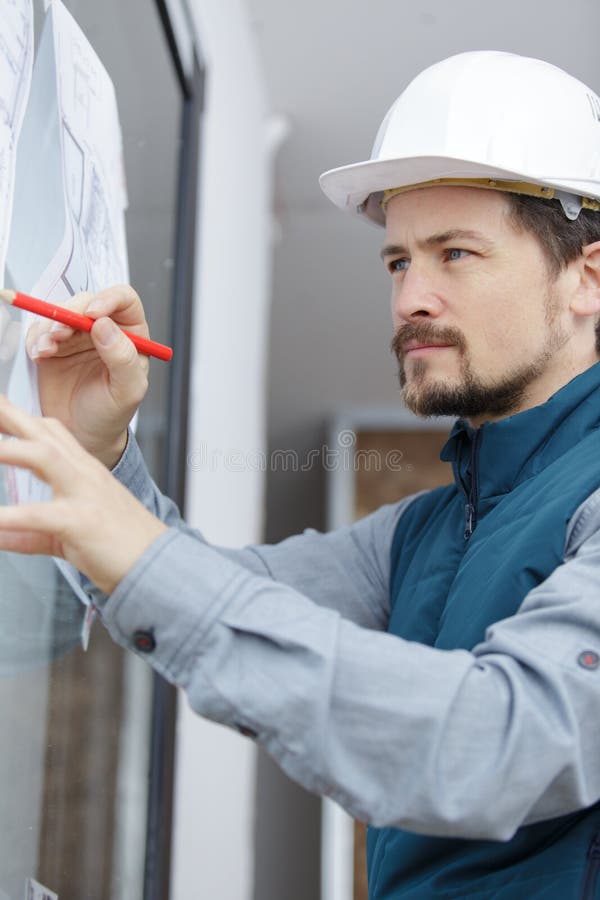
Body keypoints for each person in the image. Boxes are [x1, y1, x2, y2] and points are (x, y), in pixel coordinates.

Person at [1, 49, 600, 898]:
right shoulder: (422, 532)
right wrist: (104, 456)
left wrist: (135, 549)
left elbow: (499, 743)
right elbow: (204, 591)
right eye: (398, 262)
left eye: (456, 254)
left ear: (588, 277)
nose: (409, 299)